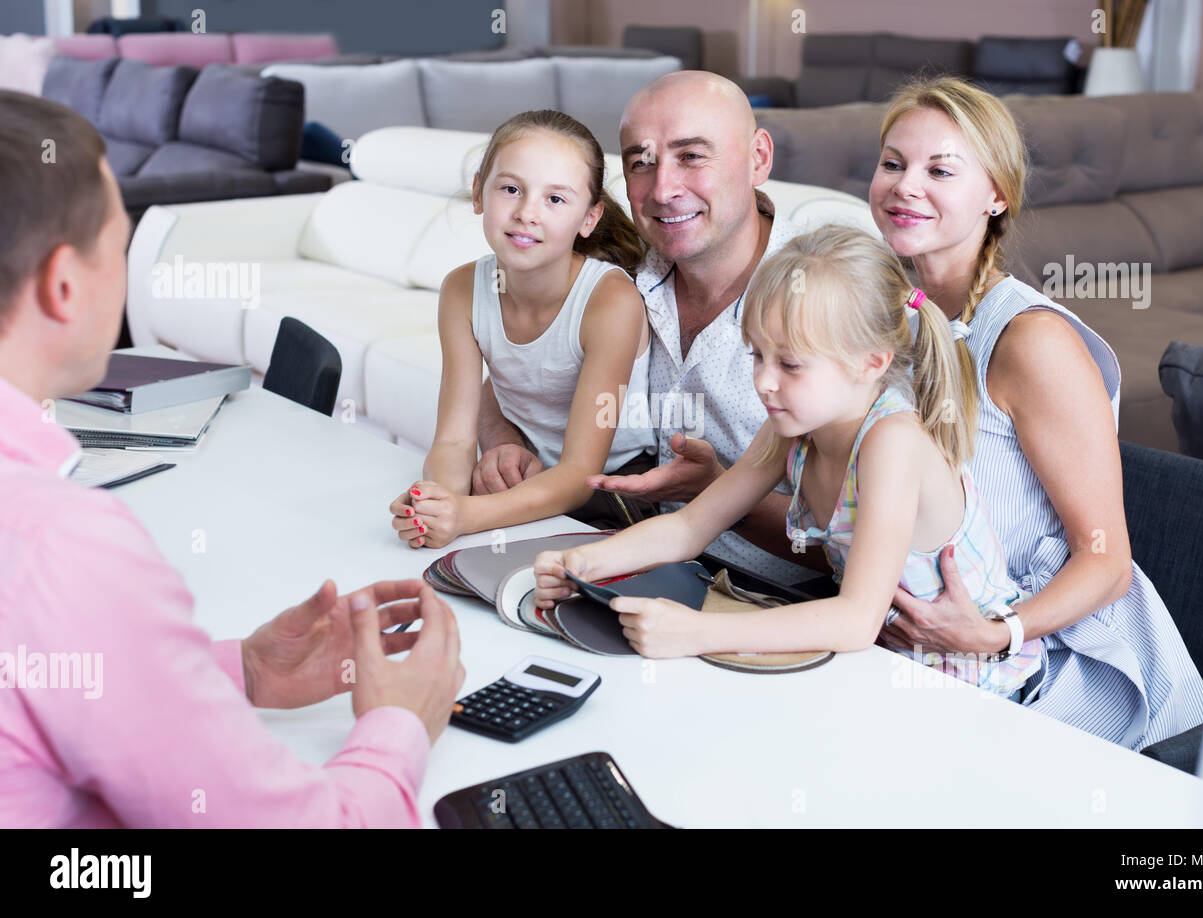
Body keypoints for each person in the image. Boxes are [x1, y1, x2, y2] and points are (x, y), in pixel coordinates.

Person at [0, 90, 465, 827]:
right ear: (63, 286)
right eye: (117, 247)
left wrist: (238, 670)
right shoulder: (62, 550)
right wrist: (400, 722)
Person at [532, 226, 1044, 699]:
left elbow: (855, 619)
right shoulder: (793, 424)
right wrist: (581, 564)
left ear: (872, 362)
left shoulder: (892, 442)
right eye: (757, 355)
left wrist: (697, 633)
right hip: (886, 663)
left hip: (975, 689)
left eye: (790, 364)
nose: (764, 382)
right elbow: (688, 527)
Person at [866, 77, 1203, 749]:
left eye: (940, 169)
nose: (906, 185)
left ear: (996, 195)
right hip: (926, 654)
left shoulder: (1030, 342)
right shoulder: (885, 320)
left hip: (1060, 672)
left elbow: (1106, 562)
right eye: (892, 164)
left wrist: (996, 634)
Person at [472, 72, 825, 586]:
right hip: (630, 556)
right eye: (642, 161)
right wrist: (502, 438)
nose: (662, 190)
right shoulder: (620, 275)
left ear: (758, 159)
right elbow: (517, 365)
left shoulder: (826, 299)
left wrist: (719, 492)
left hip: (780, 598)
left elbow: (858, 542)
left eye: (692, 156)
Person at [388, 110, 656, 546]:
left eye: (556, 199)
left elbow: (579, 473)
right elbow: (454, 441)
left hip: (612, 485)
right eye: (511, 189)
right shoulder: (461, 290)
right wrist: (436, 502)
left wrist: (467, 515)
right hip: (527, 468)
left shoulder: (610, 302)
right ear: (479, 193)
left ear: (589, 218)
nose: (527, 213)